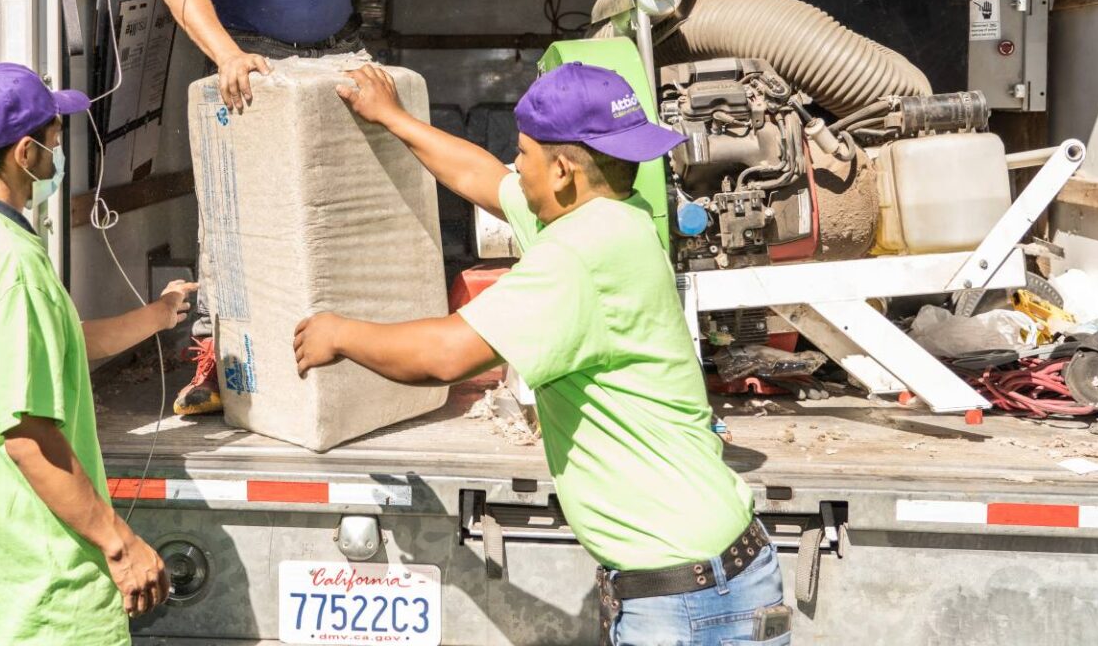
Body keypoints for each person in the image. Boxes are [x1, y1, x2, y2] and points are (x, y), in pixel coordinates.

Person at [293, 63, 789, 646]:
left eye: (522, 153)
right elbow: (482, 178)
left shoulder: (580, 255)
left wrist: (340, 333)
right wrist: (395, 119)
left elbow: (445, 356)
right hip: (703, 581)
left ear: (561, 171)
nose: (514, 166)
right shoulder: (617, 214)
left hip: (690, 605)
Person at [162, 0, 483, 415]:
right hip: (250, 49)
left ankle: (398, 344)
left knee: (389, 176)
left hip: (338, 47)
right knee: (237, 206)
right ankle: (220, 355)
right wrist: (226, 55)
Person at [0, 63, 194, 645]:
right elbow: (29, 437)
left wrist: (161, 314)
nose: (59, 154)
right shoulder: (12, 266)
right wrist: (119, 542)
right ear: (25, 153)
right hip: (36, 595)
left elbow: (53, 347)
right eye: (56, 141)